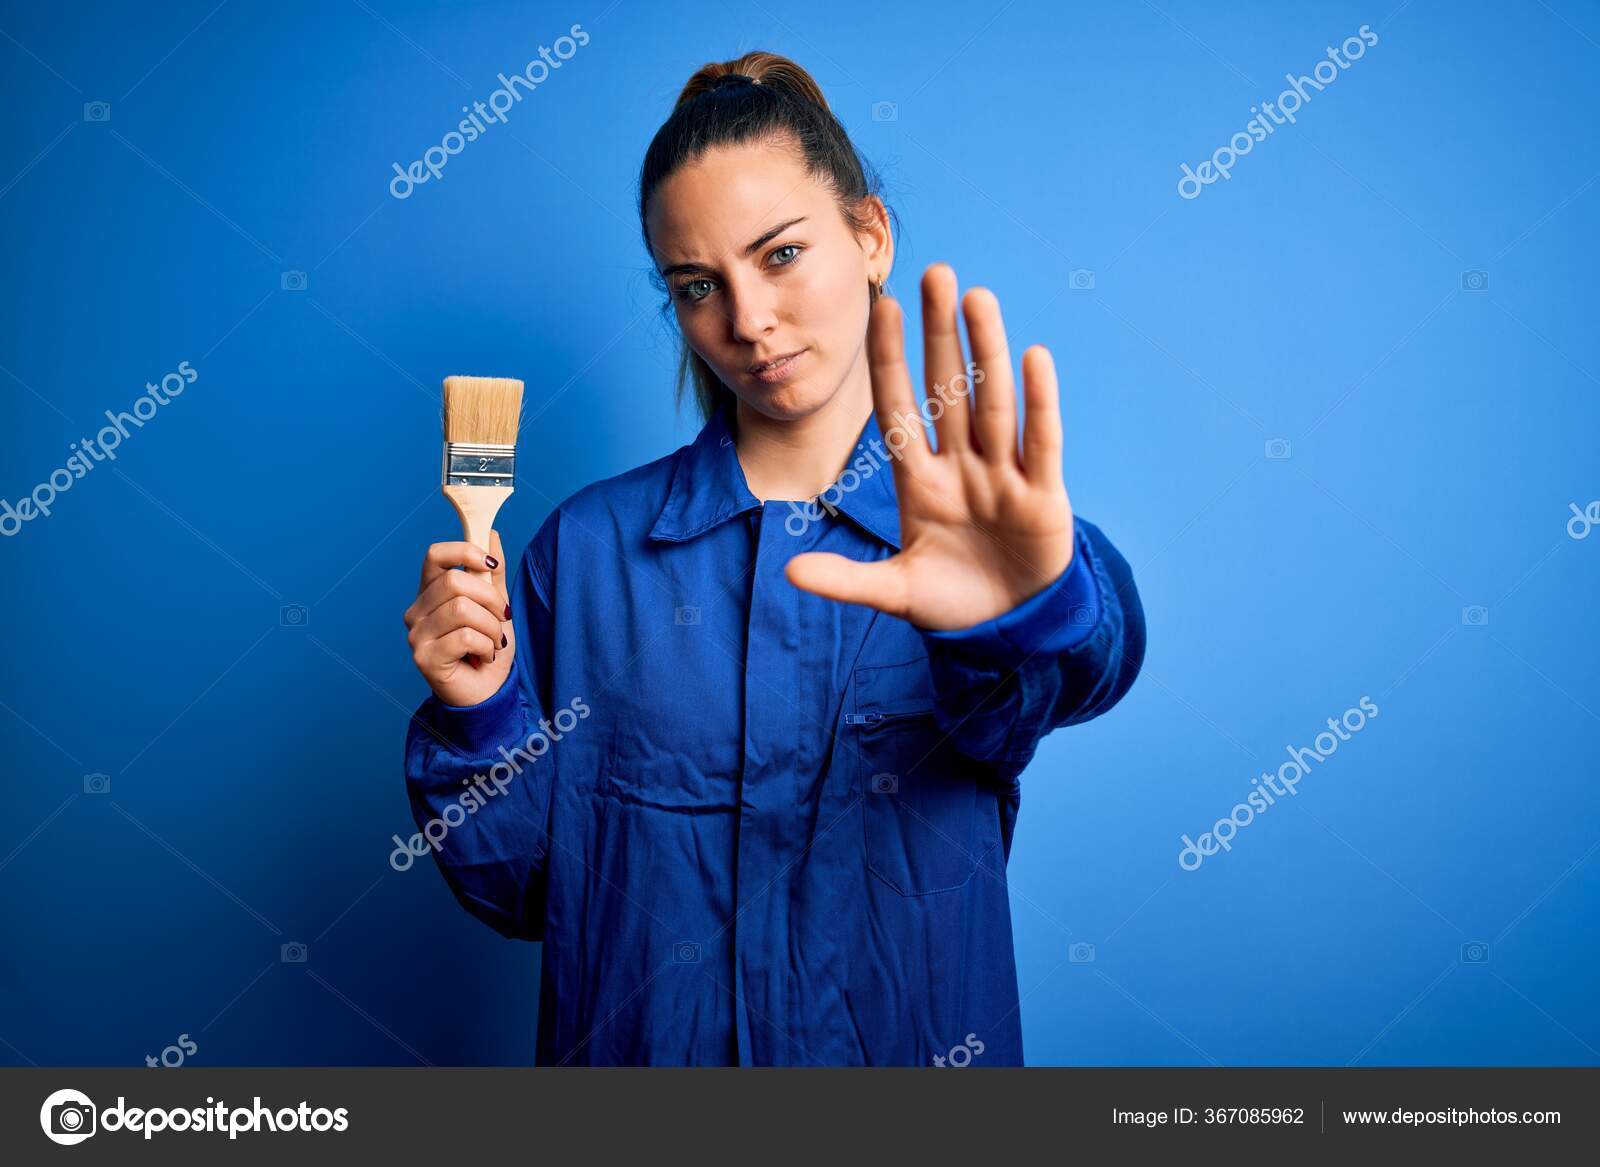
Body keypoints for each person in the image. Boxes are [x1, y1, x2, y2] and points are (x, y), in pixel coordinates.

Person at [401, 51, 1145, 1066]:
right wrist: (475, 714)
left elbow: (1088, 664)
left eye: (782, 255)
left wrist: (1027, 611)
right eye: (699, 286)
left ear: (869, 236)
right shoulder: (582, 555)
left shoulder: (970, 540)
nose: (746, 322)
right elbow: (523, 890)